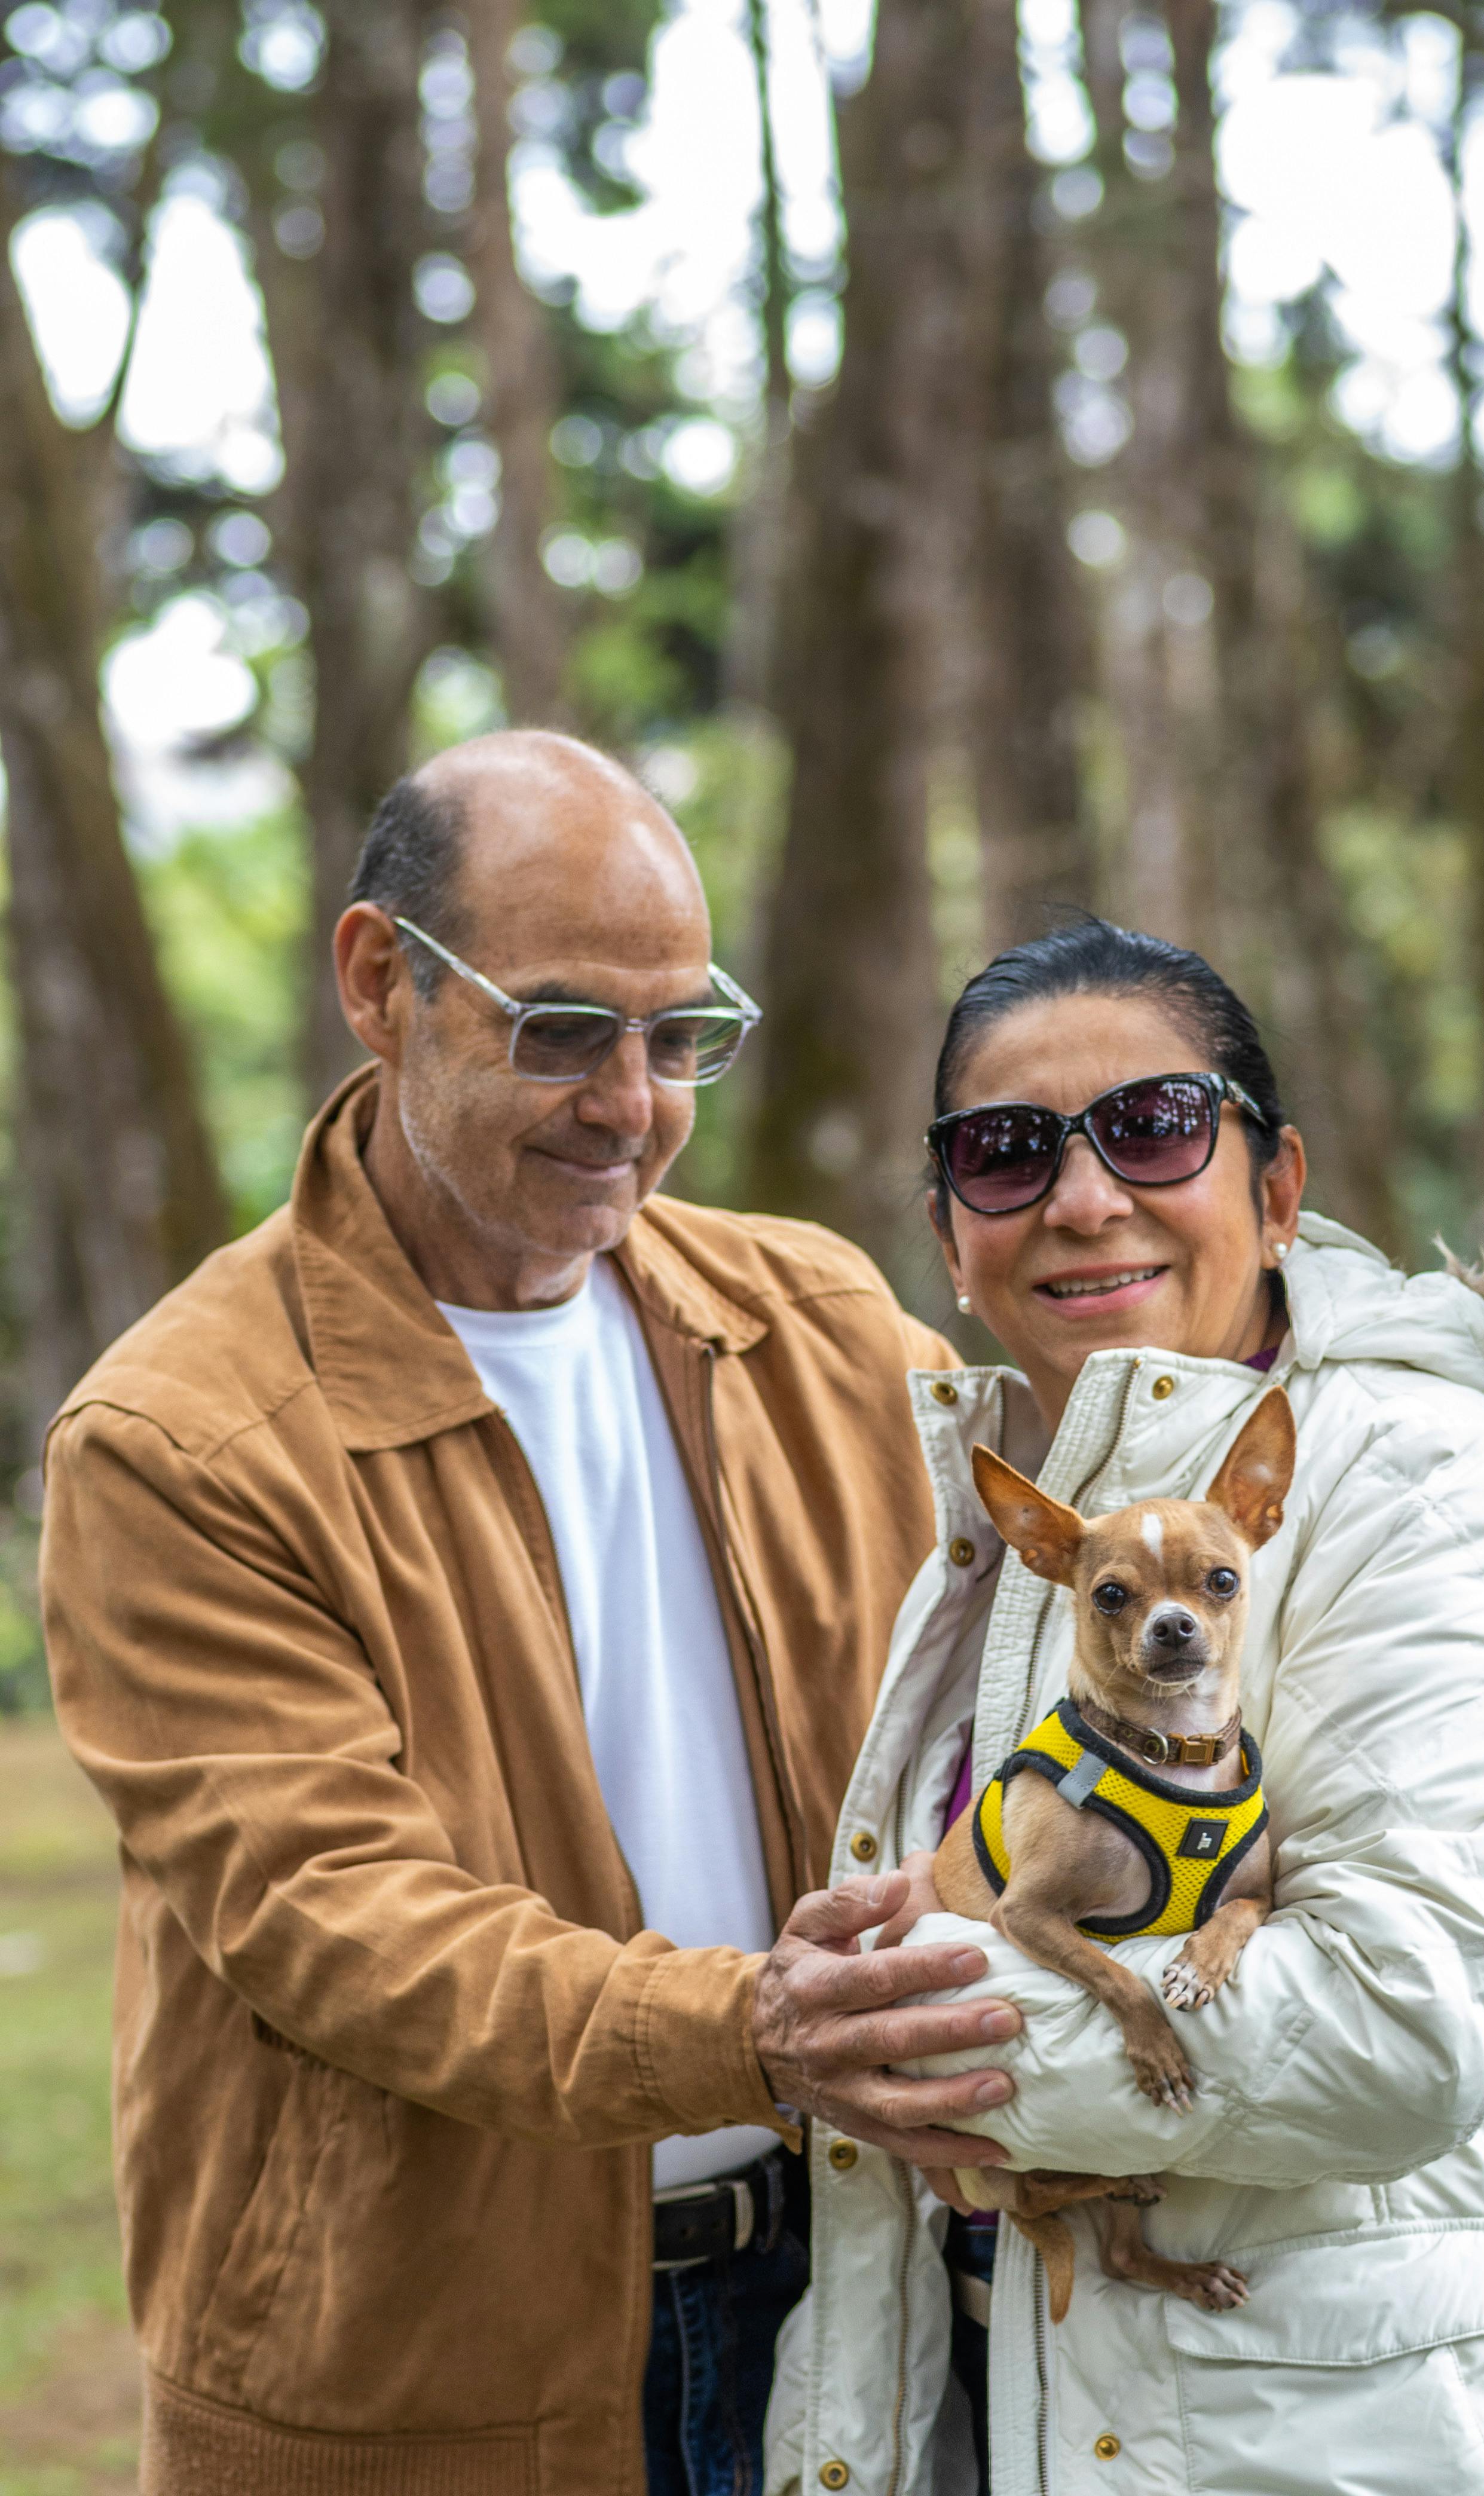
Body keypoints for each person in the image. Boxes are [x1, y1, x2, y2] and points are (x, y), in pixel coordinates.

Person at [39, 732, 1026, 2496]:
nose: (631, 1104)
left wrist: (1468, 1364)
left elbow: (1114, 1582)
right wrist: (753, 2031)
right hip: (427, 2377)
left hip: (849, 2316)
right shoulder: (179, 1439)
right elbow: (340, 1920)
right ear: (379, 985)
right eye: (564, 1030)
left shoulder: (823, 1328)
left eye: (681, 1039)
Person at [764, 919, 1484, 2496]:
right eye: (1006, 1153)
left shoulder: (1427, 1492)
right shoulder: (1027, 1533)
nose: (1085, 1196)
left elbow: (1412, 2013)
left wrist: (903, 2042)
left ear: (1280, 1186)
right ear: (948, 1234)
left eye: (1157, 1126)